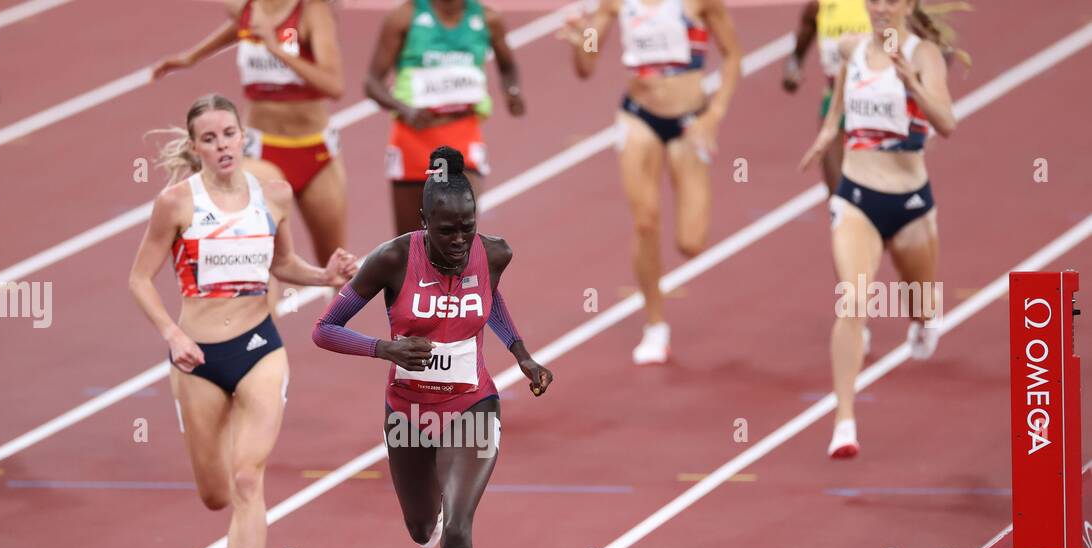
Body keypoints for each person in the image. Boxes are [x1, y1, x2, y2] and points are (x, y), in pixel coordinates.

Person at [311, 146, 552, 548]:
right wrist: (384, 349)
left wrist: (521, 354)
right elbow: (324, 329)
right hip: (407, 414)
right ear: (424, 225)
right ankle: (431, 515)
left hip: (472, 403)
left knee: (460, 536)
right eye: (446, 232)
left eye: (466, 229)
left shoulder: (492, 253)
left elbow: (489, 297)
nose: (458, 243)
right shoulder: (392, 260)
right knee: (423, 527)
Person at [129, 94, 357, 548]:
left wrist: (324, 275)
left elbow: (281, 265)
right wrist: (173, 335)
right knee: (214, 494)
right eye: (209, 139)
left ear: (242, 137)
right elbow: (137, 279)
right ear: (195, 147)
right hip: (198, 358)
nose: (223, 145)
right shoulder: (177, 204)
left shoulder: (273, 194)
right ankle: (217, 438)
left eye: (229, 134)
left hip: (259, 347)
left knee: (249, 479)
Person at [799, 0, 956, 459]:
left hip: (910, 203)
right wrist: (828, 132)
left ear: (907, 4)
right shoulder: (852, 49)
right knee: (852, 301)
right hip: (857, 198)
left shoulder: (923, 54)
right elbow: (838, 107)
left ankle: (923, 320)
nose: (881, 7)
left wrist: (913, 85)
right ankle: (844, 420)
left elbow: (947, 123)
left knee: (921, 303)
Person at [558, 0, 741, 365]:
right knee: (645, 222)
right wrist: (581, 42)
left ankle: (657, 317)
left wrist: (715, 113)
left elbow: (733, 55)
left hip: (689, 122)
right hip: (638, 118)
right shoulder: (615, 4)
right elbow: (587, 65)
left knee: (691, 243)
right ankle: (655, 325)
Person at [152, 0, 348, 264]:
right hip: (261, 151)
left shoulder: (312, 11)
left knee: (334, 260)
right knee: (258, 258)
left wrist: (277, 50)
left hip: (314, 151)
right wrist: (192, 56)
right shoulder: (246, 9)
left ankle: (336, 306)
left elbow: (334, 85)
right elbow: (241, 27)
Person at [365, 0, 525, 236]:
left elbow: (508, 66)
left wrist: (512, 91)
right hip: (413, 138)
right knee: (412, 244)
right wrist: (405, 109)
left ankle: (458, 273)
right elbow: (372, 83)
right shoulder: (404, 17)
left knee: (457, 228)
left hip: (462, 134)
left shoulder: (488, 19)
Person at [782, 0, 871, 195]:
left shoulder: (880, 6)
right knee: (839, 198)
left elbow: (916, 42)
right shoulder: (818, 6)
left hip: (874, 107)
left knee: (875, 196)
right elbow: (798, 51)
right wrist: (793, 69)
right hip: (835, 104)